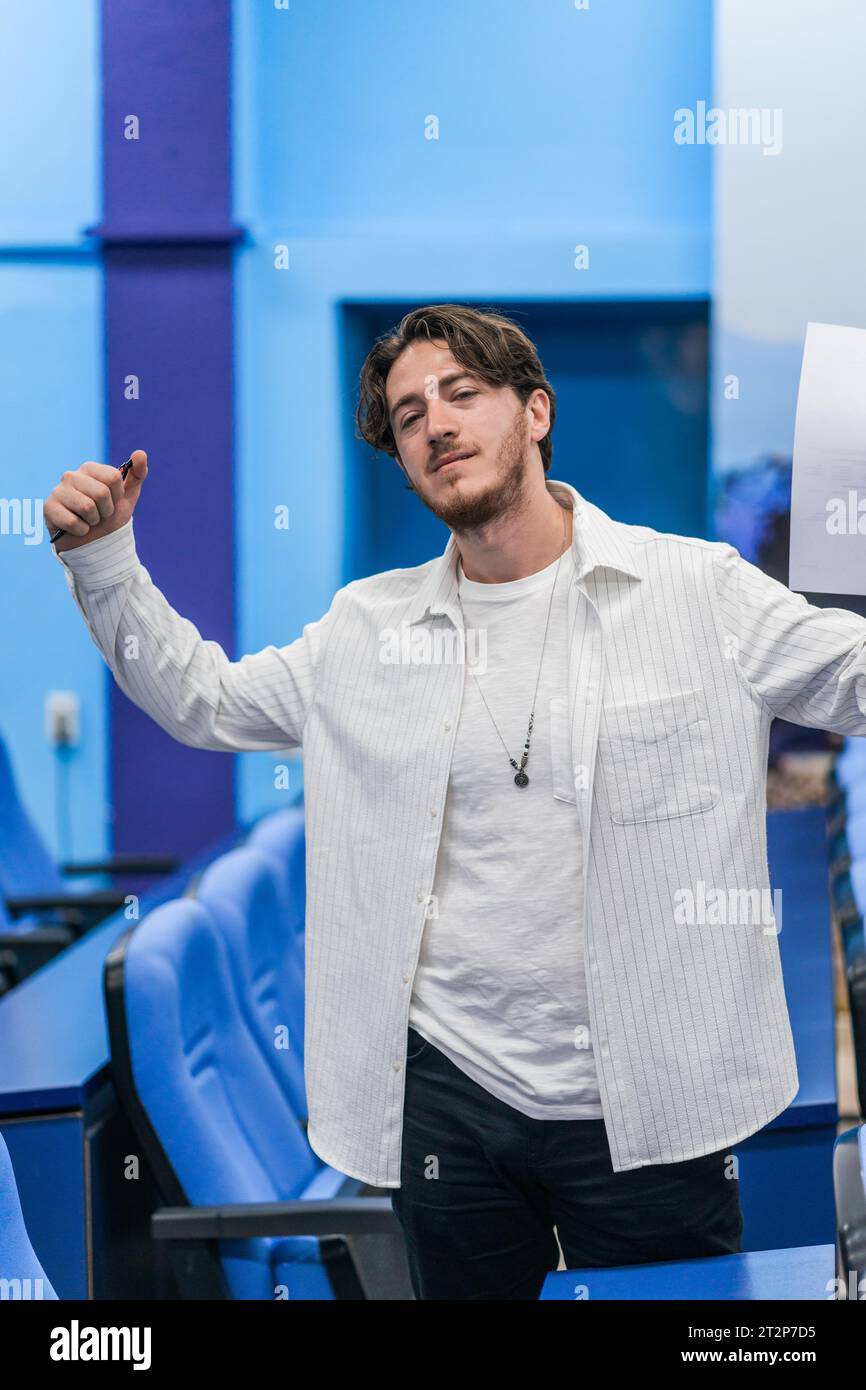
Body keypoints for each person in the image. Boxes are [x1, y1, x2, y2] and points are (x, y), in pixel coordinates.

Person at [44, 303, 865, 1300]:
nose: (432, 422)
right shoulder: (365, 629)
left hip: (647, 1095)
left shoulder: (696, 591)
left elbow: (852, 678)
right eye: (404, 415)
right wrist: (105, 563)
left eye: (461, 393)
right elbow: (201, 700)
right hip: (446, 1101)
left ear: (534, 410)